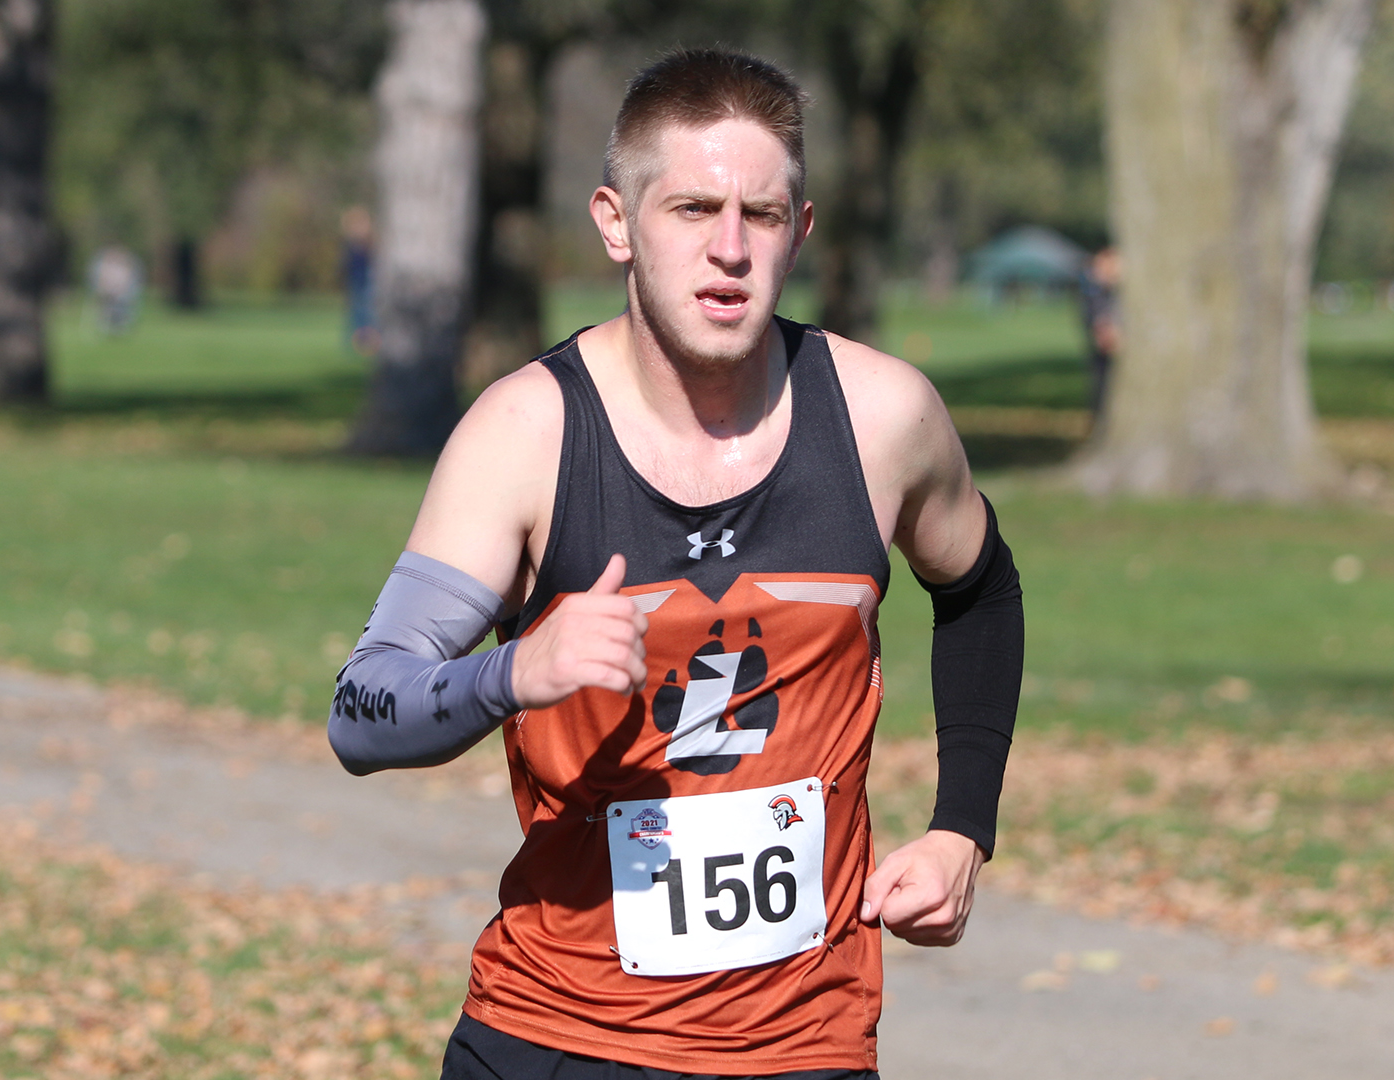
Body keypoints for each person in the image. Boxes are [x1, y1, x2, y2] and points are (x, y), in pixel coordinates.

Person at [327, 49, 1024, 1080]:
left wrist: (963, 826)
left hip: (807, 1046)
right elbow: (361, 708)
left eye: (764, 215)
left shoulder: (882, 419)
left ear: (803, 231)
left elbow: (980, 588)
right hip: (561, 1035)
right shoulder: (527, 435)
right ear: (616, 222)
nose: (731, 250)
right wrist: (514, 671)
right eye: (693, 210)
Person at [1077, 244, 1119, 434]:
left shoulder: (1105, 290)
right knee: (1103, 391)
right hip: (1105, 356)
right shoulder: (1093, 289)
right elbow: (1104, 336)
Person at [340, 206, 378, 356]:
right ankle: (358, 344)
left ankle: (370, 343)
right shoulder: (350, 245)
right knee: (357, 313)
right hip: (356, 282)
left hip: (367, 281)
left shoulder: (369, 243)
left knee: (369, 312)